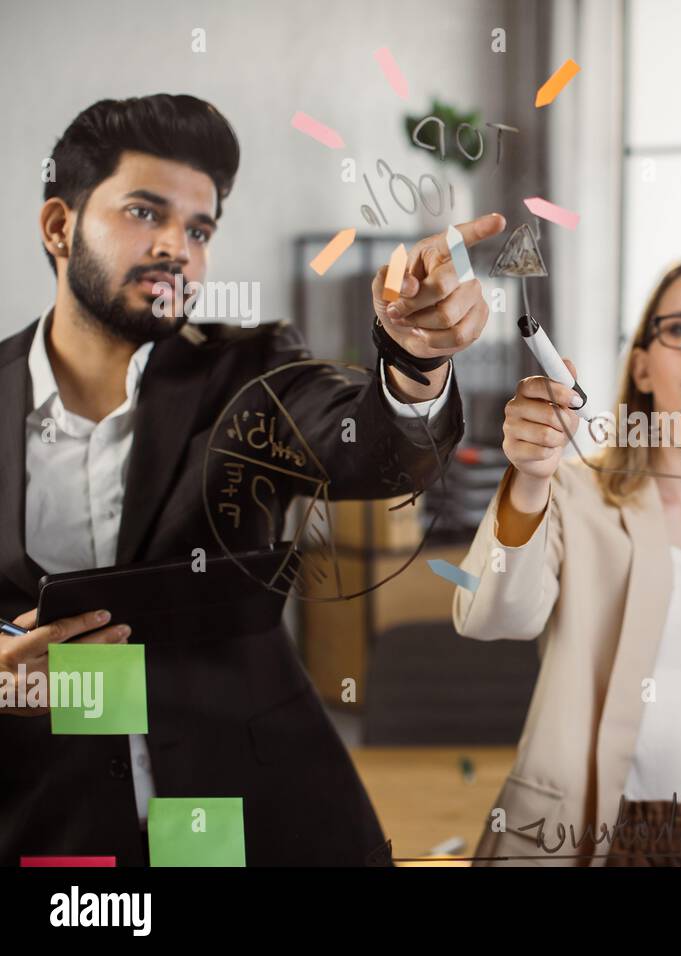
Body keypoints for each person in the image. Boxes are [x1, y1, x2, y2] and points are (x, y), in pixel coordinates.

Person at [0, 94, 504, 865]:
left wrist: (413, 360)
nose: (179, 248)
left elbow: (369, 447)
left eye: (199, 230)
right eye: (145, 213)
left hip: (256, 818)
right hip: (53, 832)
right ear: (59, 228)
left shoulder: (248, 370)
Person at [453, 259, 681, 866]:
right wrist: (529, 480)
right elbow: (492, 616)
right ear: (643, 365)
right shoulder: (574, 493)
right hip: (596, 835)